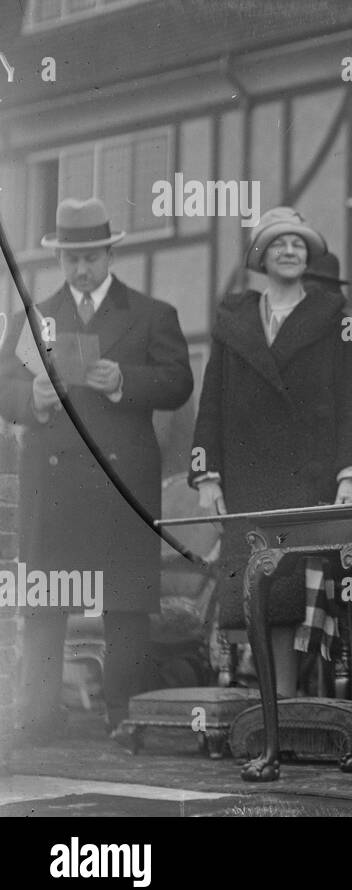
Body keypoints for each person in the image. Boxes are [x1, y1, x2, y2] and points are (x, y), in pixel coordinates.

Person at [0, 198, 193, 741]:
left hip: (121, 482)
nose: (81, 269)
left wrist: (125, 381)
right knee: (45, 602)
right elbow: (2, 385)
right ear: (60, 259)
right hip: (53, 483)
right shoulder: (33, 317)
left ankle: (126, 716)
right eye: (72, 259)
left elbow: (179, 382)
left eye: (91, 258)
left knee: (126, 603)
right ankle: (37, 716)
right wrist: (33, 398)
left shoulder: (152, 314)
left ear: (109, 254)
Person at [190, 206, 352, 694]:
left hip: (306, 479)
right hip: (245, 479)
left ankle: (286, 704)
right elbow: (211, 402)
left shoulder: (335, 320)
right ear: (261, 257)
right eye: (278, 244)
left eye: (298, 244)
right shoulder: (232, 321)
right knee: (249, 593)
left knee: (294, 599)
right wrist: (207, 476)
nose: (289, 251)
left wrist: (350, 474)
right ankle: (258, 705)